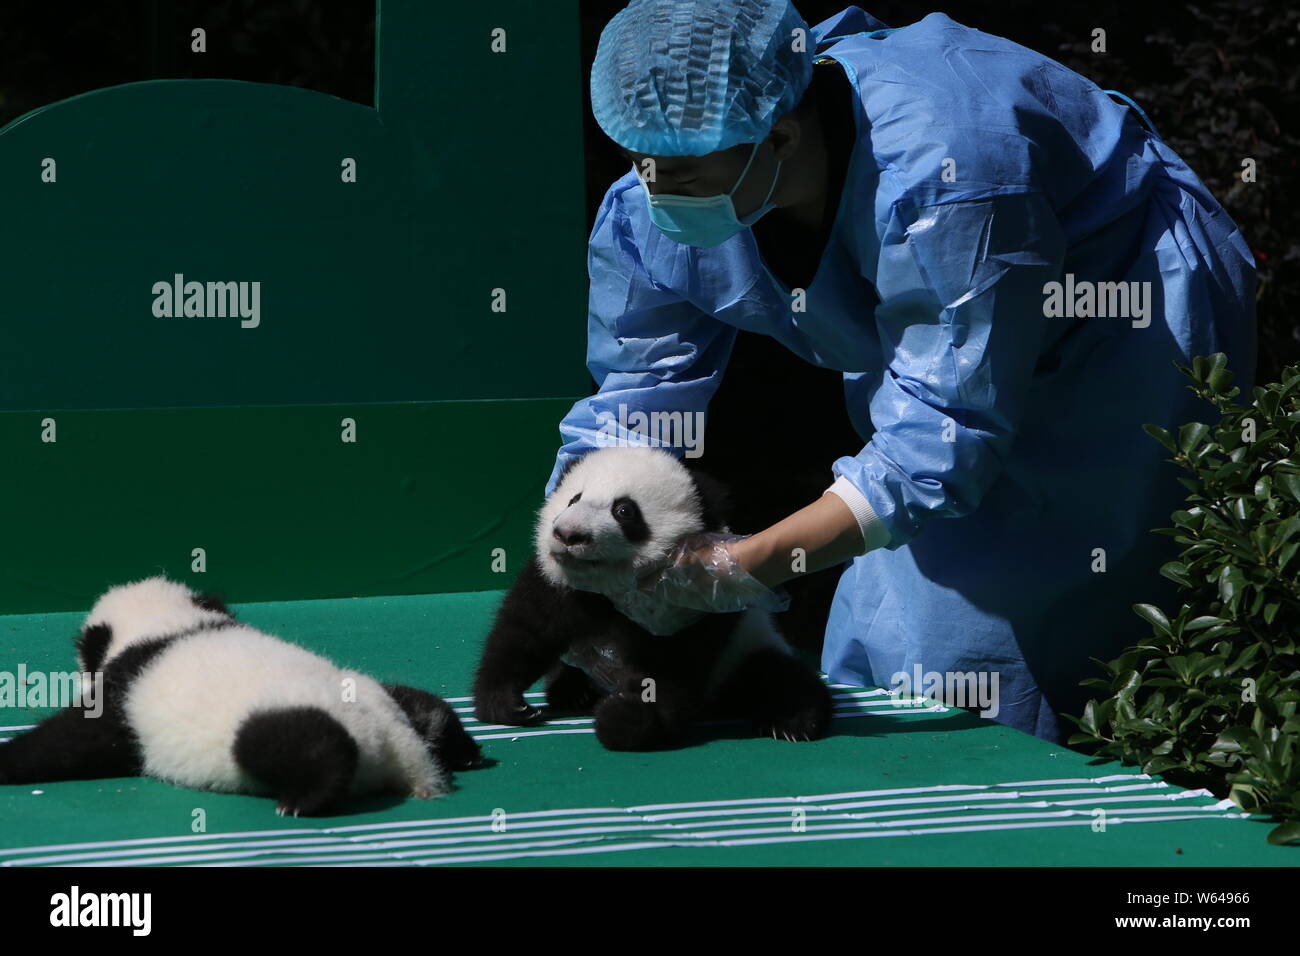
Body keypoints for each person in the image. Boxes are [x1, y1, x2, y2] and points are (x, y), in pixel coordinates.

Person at [544, 0, 1257, 742]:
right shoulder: (658, 194)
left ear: (781, 135)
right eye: (640, 163)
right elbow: (635, 396)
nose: (654, 192)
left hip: (1122, 316)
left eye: (682, 177)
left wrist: (746, 565)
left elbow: (939, 440)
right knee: (888, 627)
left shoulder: (953, 171)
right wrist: (577, 564)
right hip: (950, 358)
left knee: (990, 636)